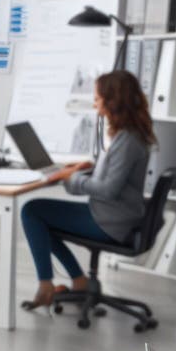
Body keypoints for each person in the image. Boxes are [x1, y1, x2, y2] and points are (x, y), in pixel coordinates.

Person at [20, 69, 156, 310]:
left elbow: (107, 190)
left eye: (97, 99)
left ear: (113, 101)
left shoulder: (128, 141)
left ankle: (47, 284)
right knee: (39, 218)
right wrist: (88, 168)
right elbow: (115, 176)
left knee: (32, 211)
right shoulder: (129, 136)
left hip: (110, 222)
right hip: (116, 216)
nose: (94, 104)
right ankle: (78, 280)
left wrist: (70, 178)